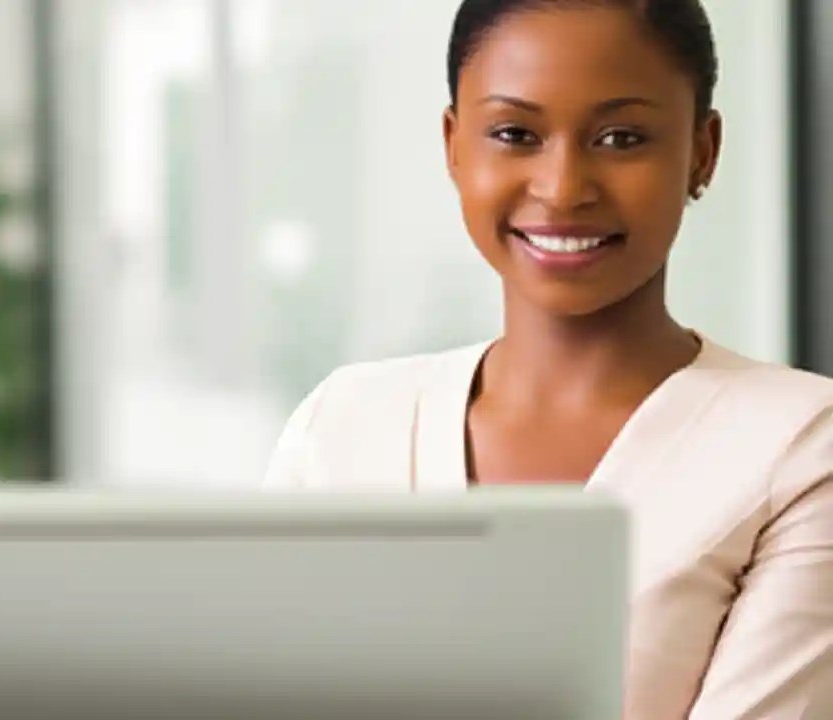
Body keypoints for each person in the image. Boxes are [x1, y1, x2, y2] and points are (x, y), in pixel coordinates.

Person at [263, 1, 833, 717]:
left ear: (701, 150)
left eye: (622, 138)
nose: (563, 189)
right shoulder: (342, 424)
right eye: (514, 134)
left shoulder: (804, 449)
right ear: (454, 146)